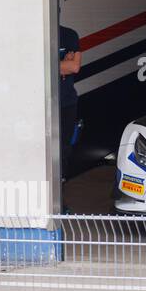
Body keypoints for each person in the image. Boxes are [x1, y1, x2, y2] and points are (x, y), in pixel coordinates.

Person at [58, 23, 81, 176]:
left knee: (63, 151)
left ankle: (59, 193)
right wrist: (62, 64)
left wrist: (48, 63)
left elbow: (74, 67)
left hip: (66, 104)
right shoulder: (32, 34)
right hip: (39, 105)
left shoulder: (69, 34)